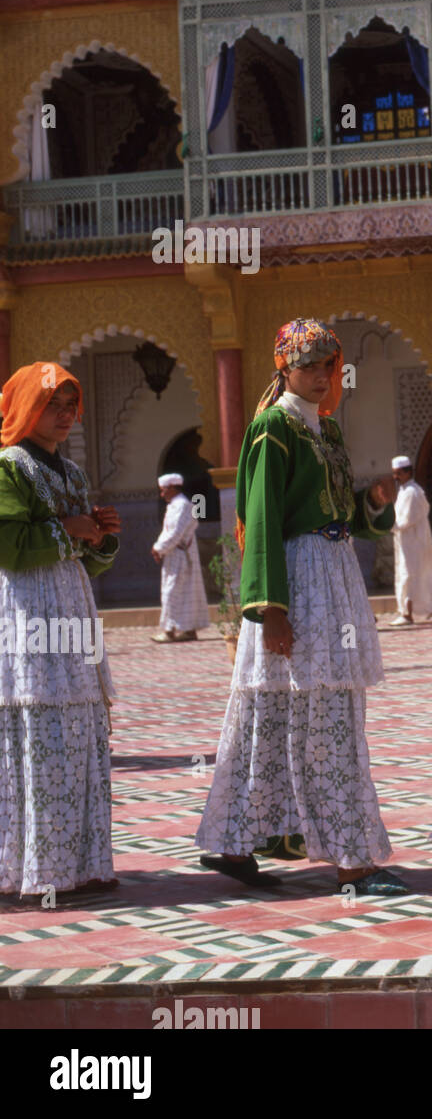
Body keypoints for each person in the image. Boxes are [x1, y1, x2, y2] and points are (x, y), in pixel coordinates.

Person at [196, 319, 409, 896]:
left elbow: (344, 516)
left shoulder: (327, 431)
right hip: (300, 582)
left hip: (333, 575)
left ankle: (238, 844)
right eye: (309, 364)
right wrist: (270, 609)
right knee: (322, 717)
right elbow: (262, 519)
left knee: (287, 718)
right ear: (284, 367)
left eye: (328, 365)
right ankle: (353, 862)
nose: (320, 375)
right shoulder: (274, 427)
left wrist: (373, 503)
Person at [0, 363, 121, 899]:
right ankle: (36, 871)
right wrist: (66, 529)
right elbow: (8, 546)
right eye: (55, 404)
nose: (66, 415)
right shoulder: (8, 467)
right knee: (42, 729)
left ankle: (82, 866)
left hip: (72, 607)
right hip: (29, 611)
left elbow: (85, 560)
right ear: (27, 407)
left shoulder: (71, 474)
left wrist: (98, 537)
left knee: (78, 730)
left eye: (72, 405)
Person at [151, 472, 207, 643]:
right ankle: (187, 630)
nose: (162, 494)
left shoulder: (182, 505)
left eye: (164, 490)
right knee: (181, 592)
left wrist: (158, 548)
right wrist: (160, 548)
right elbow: (168, 531)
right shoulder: (174, 505)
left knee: (173, 592)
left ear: (173, 488)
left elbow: (175, 533)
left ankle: (170, 631)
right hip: (174, 554)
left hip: (181, 555)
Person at [389, 455, 432, 625]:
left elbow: (406, 519)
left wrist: (387, 525)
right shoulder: (404, 490)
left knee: (408, 575)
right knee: (406, 574)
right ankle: (426, 605)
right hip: (405, 542)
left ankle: (407, 614)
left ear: (407, 472)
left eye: (397, 473)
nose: (395, 477)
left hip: (413, 543)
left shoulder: (412, 492)